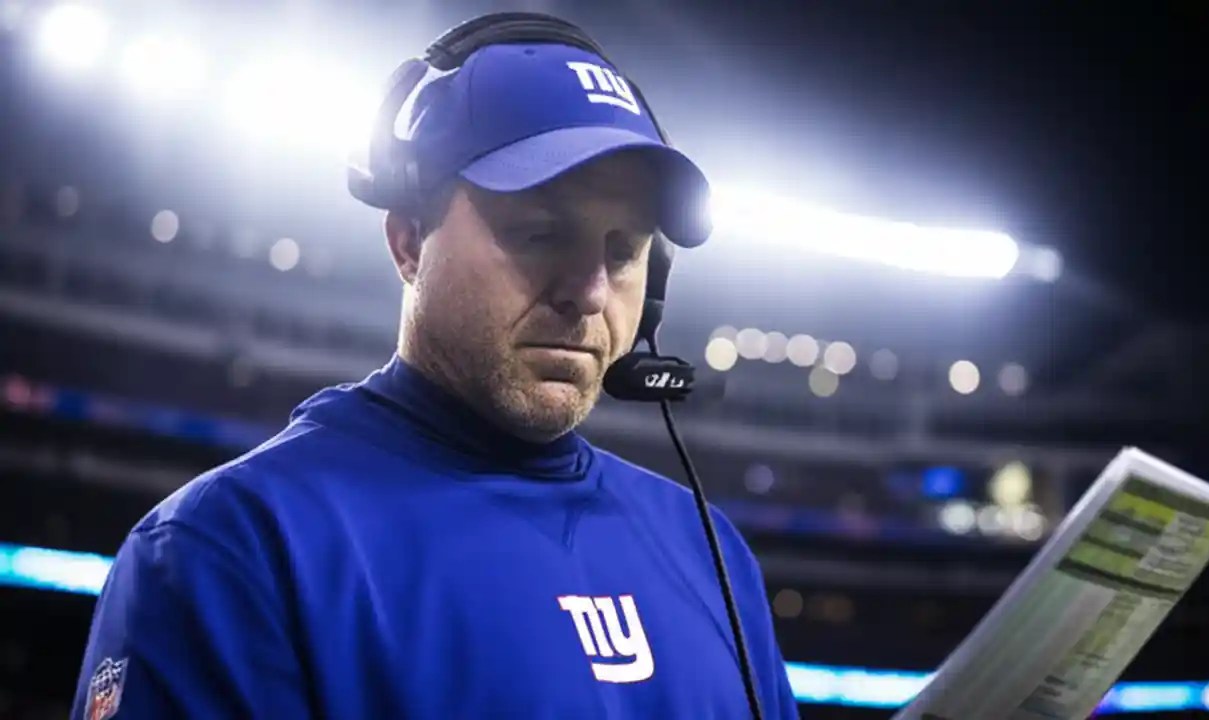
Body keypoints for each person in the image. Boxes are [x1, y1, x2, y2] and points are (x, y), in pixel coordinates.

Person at [71, 12, 799, 720]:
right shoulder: (233, 547)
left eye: (623, 252)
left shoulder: (710, 554)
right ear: (409, 241)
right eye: (541, 232)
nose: (588, 291)